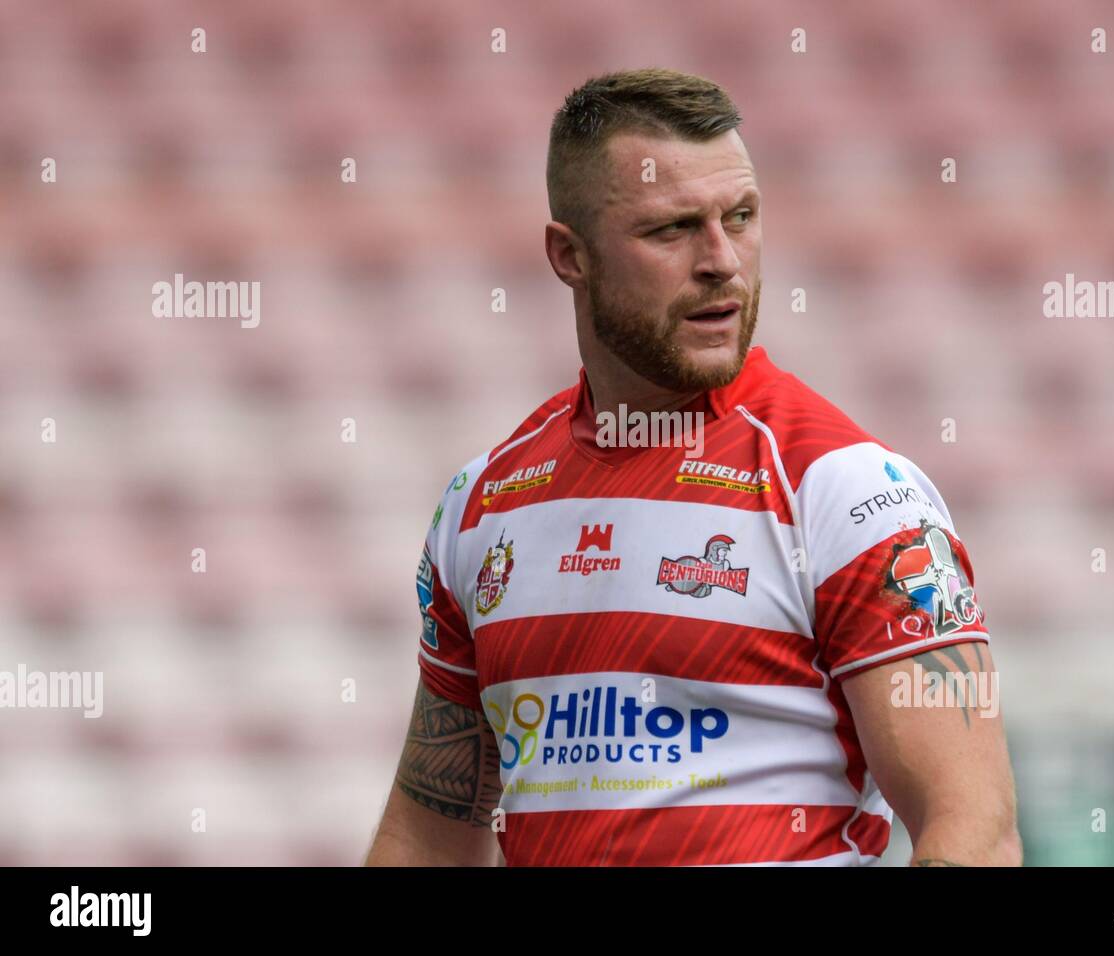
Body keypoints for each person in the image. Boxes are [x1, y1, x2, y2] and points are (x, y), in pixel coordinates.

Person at [365, 67, 1020, 866]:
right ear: (568, 256)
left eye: (740, 218)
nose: (722, 262)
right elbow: (430, 833)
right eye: (672, 229)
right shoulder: (484, 505)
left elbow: (974, 830)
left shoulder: (848, 492)